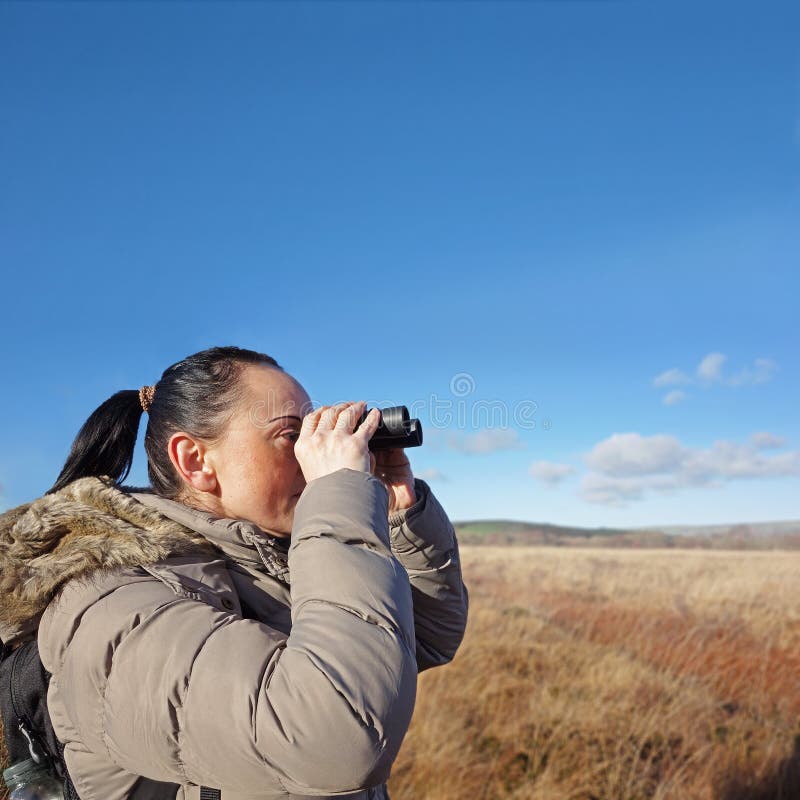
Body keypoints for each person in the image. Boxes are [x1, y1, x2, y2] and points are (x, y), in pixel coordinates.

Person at [0, 346, 468, 800]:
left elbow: (424, 638)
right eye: (292, 435)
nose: (311, 453)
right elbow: (336, 737)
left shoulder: (268, 559)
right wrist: (340, 496)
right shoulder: (111, 598)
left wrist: (397, 514)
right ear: (195, 461)